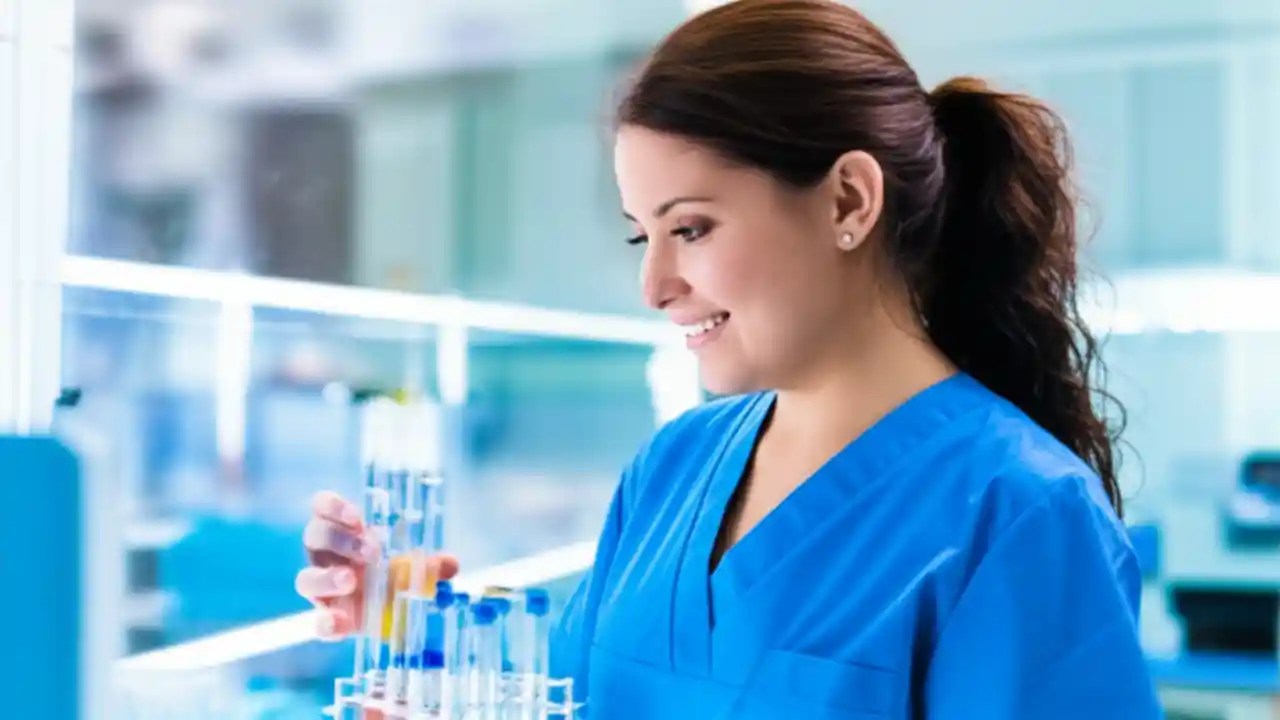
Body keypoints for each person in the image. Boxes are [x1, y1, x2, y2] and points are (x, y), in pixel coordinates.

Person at [297, 1, 1163, 717]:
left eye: (691, 228)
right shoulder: (673, 468)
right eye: (642, 234)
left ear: (848, 201)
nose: (655, 284)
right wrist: (424, 643)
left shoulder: (1021, 517)